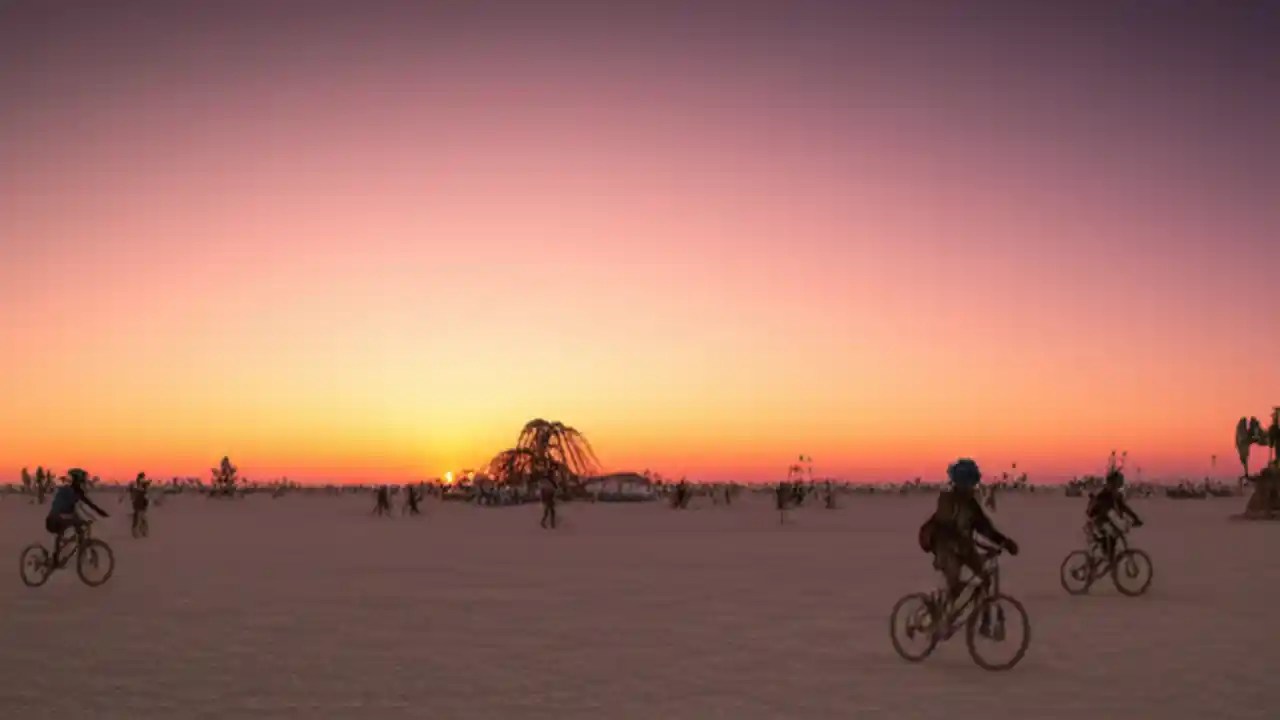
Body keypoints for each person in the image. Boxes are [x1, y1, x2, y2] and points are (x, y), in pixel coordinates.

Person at [920, 459, 1018, 621]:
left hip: (964, 546)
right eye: (968, 483)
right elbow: (944, 527)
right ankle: (940, 616)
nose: (972, 487)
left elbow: (984, 527)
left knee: (984, 580)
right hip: (945, 545)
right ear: (959, 483)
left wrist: (1004, 542)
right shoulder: (947, 500)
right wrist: (963, 542)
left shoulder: (971, 503)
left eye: (972, 483)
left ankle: (982, 620)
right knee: (954, 582)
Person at [46, 469, 109, 562]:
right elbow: (86, 505)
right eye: (83, 478)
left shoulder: (70, 490)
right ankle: (58, 555)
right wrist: (100, 514)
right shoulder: (73, 491)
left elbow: (82, 507)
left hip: (57, 518)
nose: (85, 480)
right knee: (80, 526)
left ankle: (58, 554)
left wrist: (94, 515)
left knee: (74, 529)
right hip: (58, 518)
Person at [1086, 470, 1142, 560]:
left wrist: (1135, 518)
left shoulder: (1115, 495)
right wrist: (1119, 521)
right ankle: (1104, 553)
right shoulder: (1103, 495)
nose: (1119, 486)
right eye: (1118, 483)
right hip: (1097, 521)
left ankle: (1110, 559)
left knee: (1114, 535)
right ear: (1111, 483)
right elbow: (1108, 511)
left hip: (1106, 520)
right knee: (1110, 533)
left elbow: (1124, 508)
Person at [130, 472, 150, 536]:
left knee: (141, 519)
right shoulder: (139, 487)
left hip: (140, 506)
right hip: (139, 506)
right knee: (139, 520)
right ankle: (138, 532)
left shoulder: (140, 486)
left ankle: (142, 531)